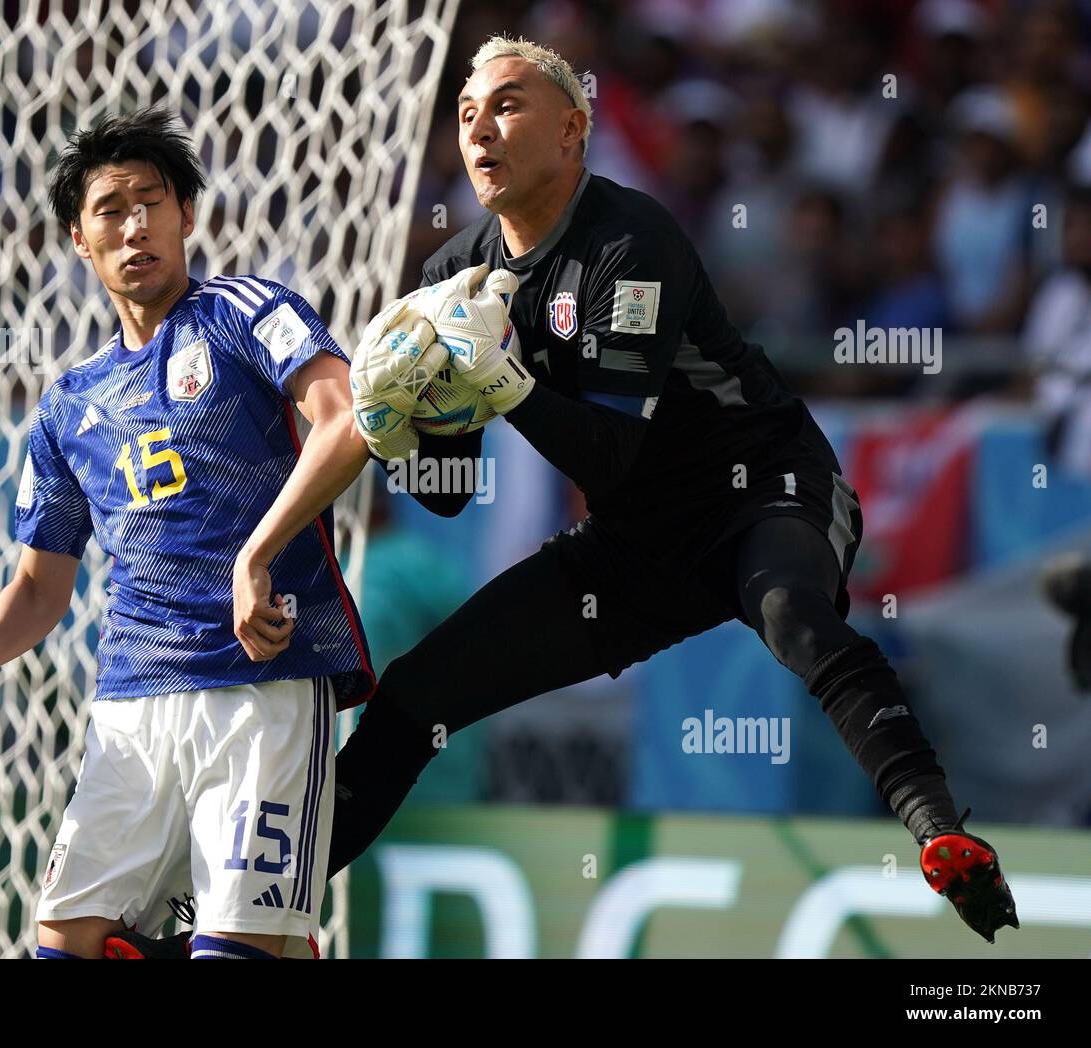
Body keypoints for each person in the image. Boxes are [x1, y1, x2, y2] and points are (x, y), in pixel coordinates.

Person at [335, 37, 1018, 944]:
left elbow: (612, 453)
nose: (479, 130)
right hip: (635, 545)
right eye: (466, 116)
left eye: (506, 106)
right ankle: (252, 906)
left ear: (573, 129)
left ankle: (941, 834)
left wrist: (505, 386)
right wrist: (402, 435)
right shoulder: (452, 280)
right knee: (415, 698)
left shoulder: (631, 239)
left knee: (790, 615)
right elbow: (454, 496)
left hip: (766, 488)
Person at [0, 107, 379, 959]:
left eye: (152, 201)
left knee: (233, 952)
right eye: (111, 208)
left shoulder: (245, 313)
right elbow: (39, 585)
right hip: (131, 703)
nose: (135, 224)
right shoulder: (69, 406)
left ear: (187, 217)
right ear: (79, 239)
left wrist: (256, 556)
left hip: (263, 684)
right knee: (64, 944)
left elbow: (346, 420)